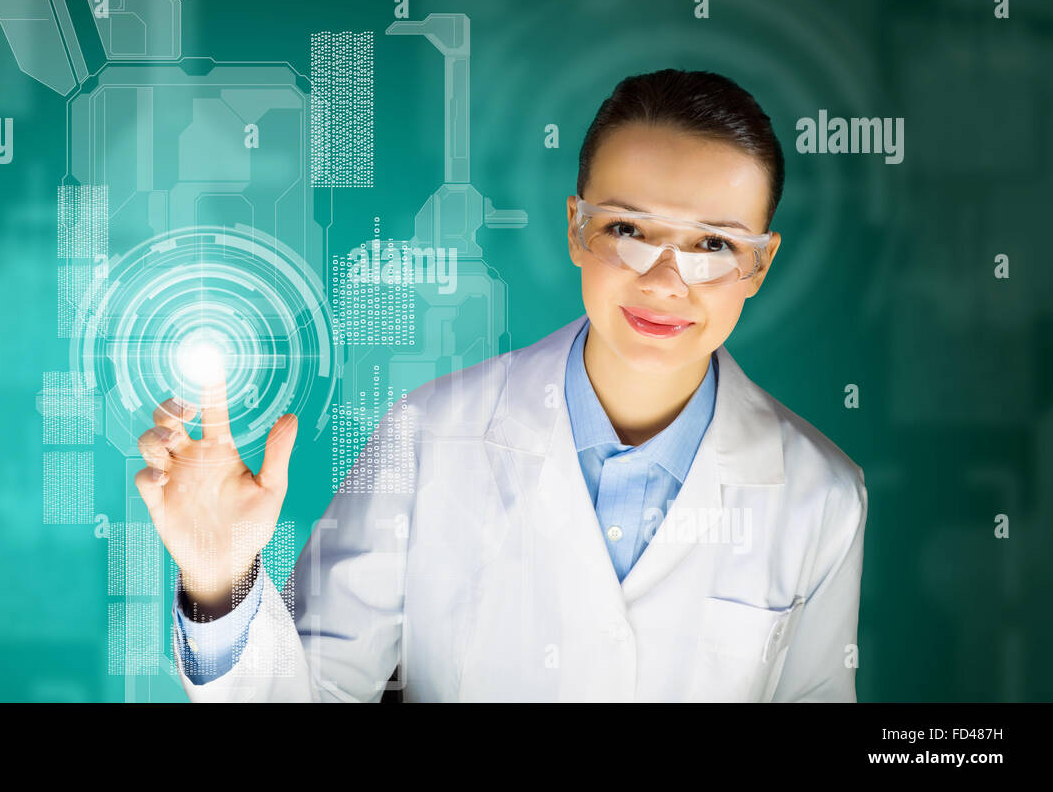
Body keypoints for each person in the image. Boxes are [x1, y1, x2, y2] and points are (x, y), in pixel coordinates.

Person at [135, 68, 869, 702]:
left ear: (760, 264)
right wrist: (219, 578)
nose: (667, 281)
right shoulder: (429, 438)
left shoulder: (819, 496)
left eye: (714, 245)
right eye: (628, 231)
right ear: (578, 229)